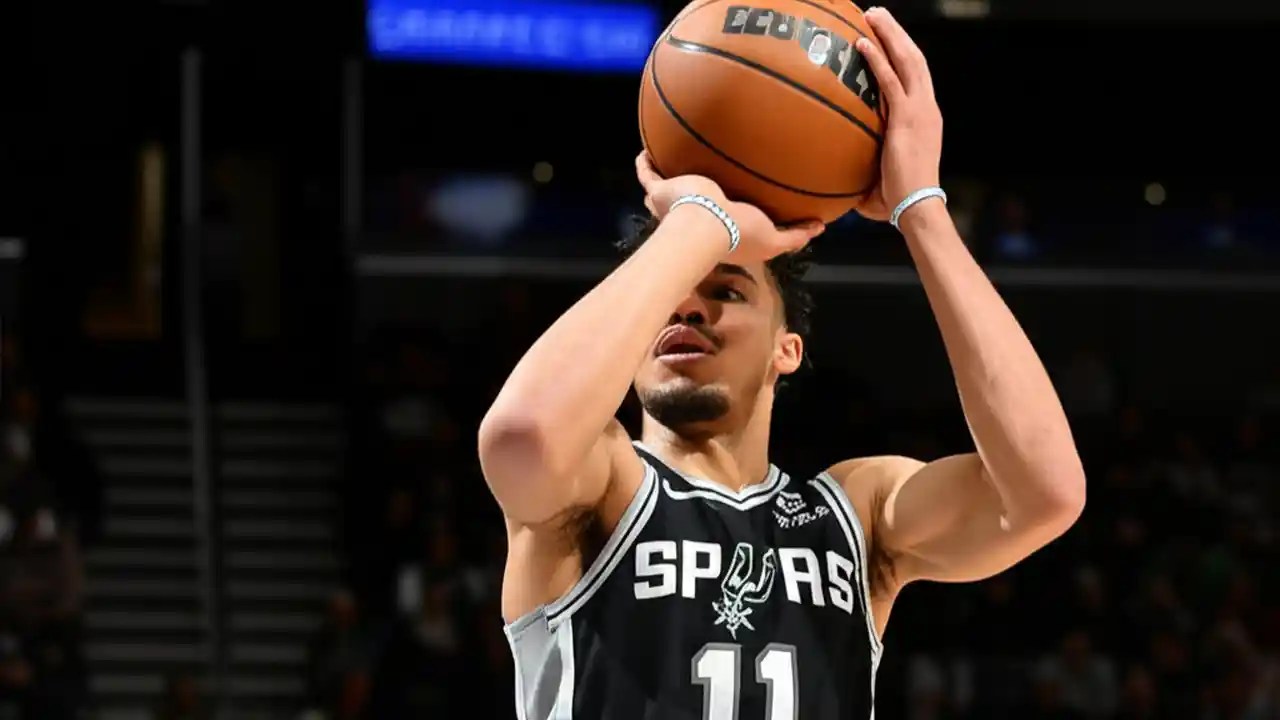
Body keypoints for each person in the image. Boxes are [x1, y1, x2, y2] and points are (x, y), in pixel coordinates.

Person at [478, 8, 1086, 720]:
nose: (686, 309)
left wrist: (921, 209)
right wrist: (700, 222)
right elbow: (520, 436)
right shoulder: (600, 485)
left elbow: (1044, 493)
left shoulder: (854, 516)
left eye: (726, 291)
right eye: (669, 293)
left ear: (786, 348)